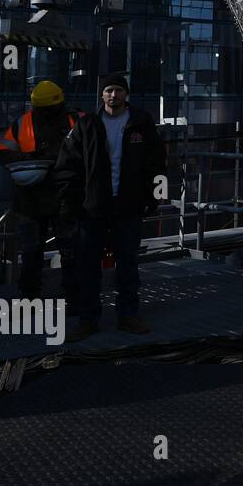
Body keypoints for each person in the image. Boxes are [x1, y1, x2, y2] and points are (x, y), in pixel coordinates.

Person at [58, 74, 167, 341]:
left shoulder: (141, 122)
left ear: (126, 94)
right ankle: (88, 319)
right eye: (109, 90)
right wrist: (69, 203)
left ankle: (128, 316)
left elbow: (157, 161)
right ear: (102, 94)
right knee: (88, 265)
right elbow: (69, 163)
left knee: (127, 262)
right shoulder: (87, 124)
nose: (113, 95)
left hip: (127, 204)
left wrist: (155, 196)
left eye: (118, 90)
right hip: (93, 206)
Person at [0, 80, 79, 305]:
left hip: (49, 197)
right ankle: (64, 297)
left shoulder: (27, 122)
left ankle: (36, 297)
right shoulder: (71, 120)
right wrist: (30, 158)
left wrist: (28, 160)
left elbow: (2, 152)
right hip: (44, 198)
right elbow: (3, 151)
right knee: (60, 250)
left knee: (46, 251)